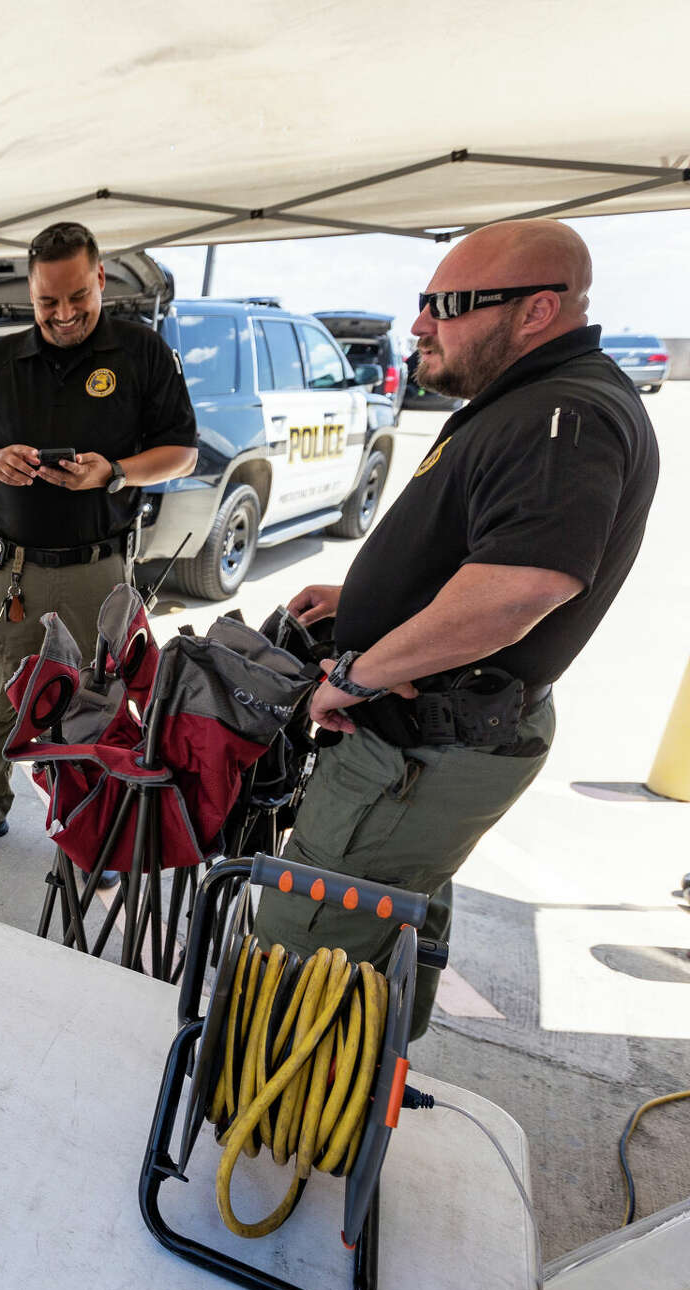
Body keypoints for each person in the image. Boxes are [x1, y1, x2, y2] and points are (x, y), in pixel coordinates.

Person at [255, 219, 658, 1039]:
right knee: (383, 933)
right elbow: (485, 551)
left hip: (415, 748)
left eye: (448, 304)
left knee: (306, 942)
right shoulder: (528, 401)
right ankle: (354, 1091)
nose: (419, 324)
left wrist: (360, 672)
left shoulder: (564, 414)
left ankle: (273, 1132)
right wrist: (369, 597)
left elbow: (522, 588)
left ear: (537, 311)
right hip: (426, 742)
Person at [0, 221, 198, 857]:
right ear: (30, 292)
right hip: (14, 573)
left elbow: (182, 454)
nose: (63, 313)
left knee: (96, 703)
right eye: (47, 301)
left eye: (76, 296)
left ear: (100, 278)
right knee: (4, 694)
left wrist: (117, 472)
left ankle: (92, 826)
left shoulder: (141, 354)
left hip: (98, 570)